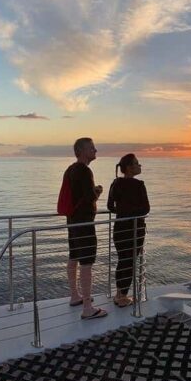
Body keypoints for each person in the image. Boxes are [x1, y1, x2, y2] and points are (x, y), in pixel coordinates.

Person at [64, 137, 107, 320]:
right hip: (84, 222)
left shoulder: (71, 169)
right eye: (92, 148)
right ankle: (88, 307)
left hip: (72, 221)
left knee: (74, 256)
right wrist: (97, 192)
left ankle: (75, 296)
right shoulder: (84, 170)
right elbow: (89, 198)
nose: (95, 151)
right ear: (81, 151)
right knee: (87, 262)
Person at [107, 153, 150, 308]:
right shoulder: (139, 185)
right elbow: (145, 208)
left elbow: (110, 207)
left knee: (122, 260)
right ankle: (123, 297)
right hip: (134, 229)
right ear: (130, 168)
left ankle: (119, 293)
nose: (140, 166)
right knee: (129, 262)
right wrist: (131, 213)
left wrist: (123, 212)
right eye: (137, 163)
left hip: (120, 228)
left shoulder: (115, 183)